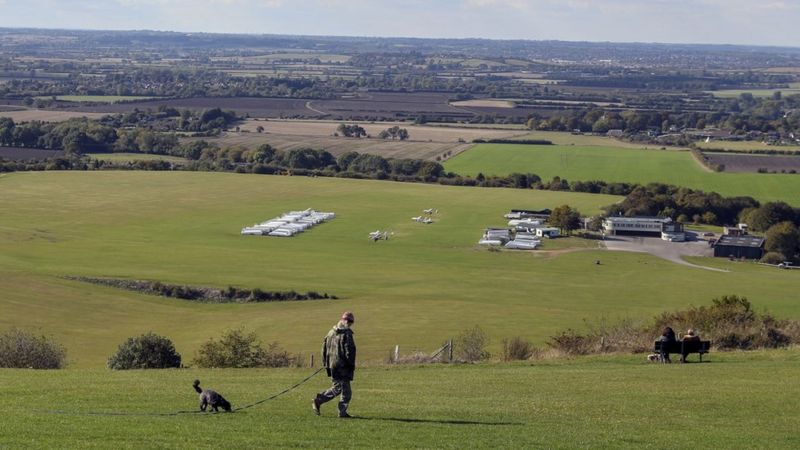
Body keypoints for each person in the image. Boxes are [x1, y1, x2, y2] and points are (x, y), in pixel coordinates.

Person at [312, 311, 357, 418]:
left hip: (332, 366)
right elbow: (349, 351)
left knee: (337, 388)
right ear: (345, 321)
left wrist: (325, 363)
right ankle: (340, 412)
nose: (350, 323)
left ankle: (319, 401)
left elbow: (323, 349)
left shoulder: (330, 332)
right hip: (343, 366)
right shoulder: (347, 334)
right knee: (346, 391)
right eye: (349, 321)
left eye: (351, 321)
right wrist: (351, 365)